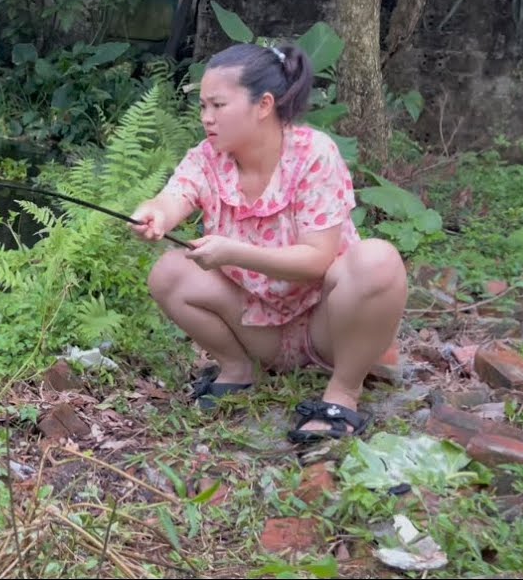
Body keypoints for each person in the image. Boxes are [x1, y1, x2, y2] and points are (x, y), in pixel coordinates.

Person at [130, 42, 407, 445]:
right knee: (169, 272)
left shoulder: (313, 154)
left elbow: (318, 259)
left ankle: (343, 392)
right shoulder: (208, 157)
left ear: (263, 105)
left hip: (328, 325)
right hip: (261, 329)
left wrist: (233, 252)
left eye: (218, 105)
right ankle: (237, 370)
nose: (207, 118)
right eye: (203, 106)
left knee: (378, 260)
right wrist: (154, 211)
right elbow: (176, 196)